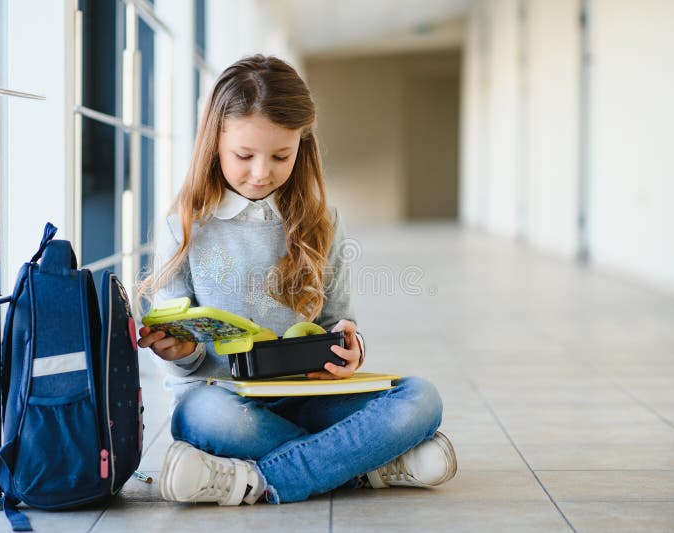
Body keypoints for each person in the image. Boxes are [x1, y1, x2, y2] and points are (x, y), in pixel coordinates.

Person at [136, 54, 456, 505]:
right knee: (200, 416)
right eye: (244, 156)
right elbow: (180, 362)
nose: (262, 172)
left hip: (306, 395)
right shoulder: (183, 227)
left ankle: (251, 480)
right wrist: (184, 352)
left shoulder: (323, 221)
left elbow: (337, 322)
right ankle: (367, 465)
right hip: (223, 400)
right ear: (215, 145)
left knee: (422, 398)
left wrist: (351, 347)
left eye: (280, 155)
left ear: (301, 147)